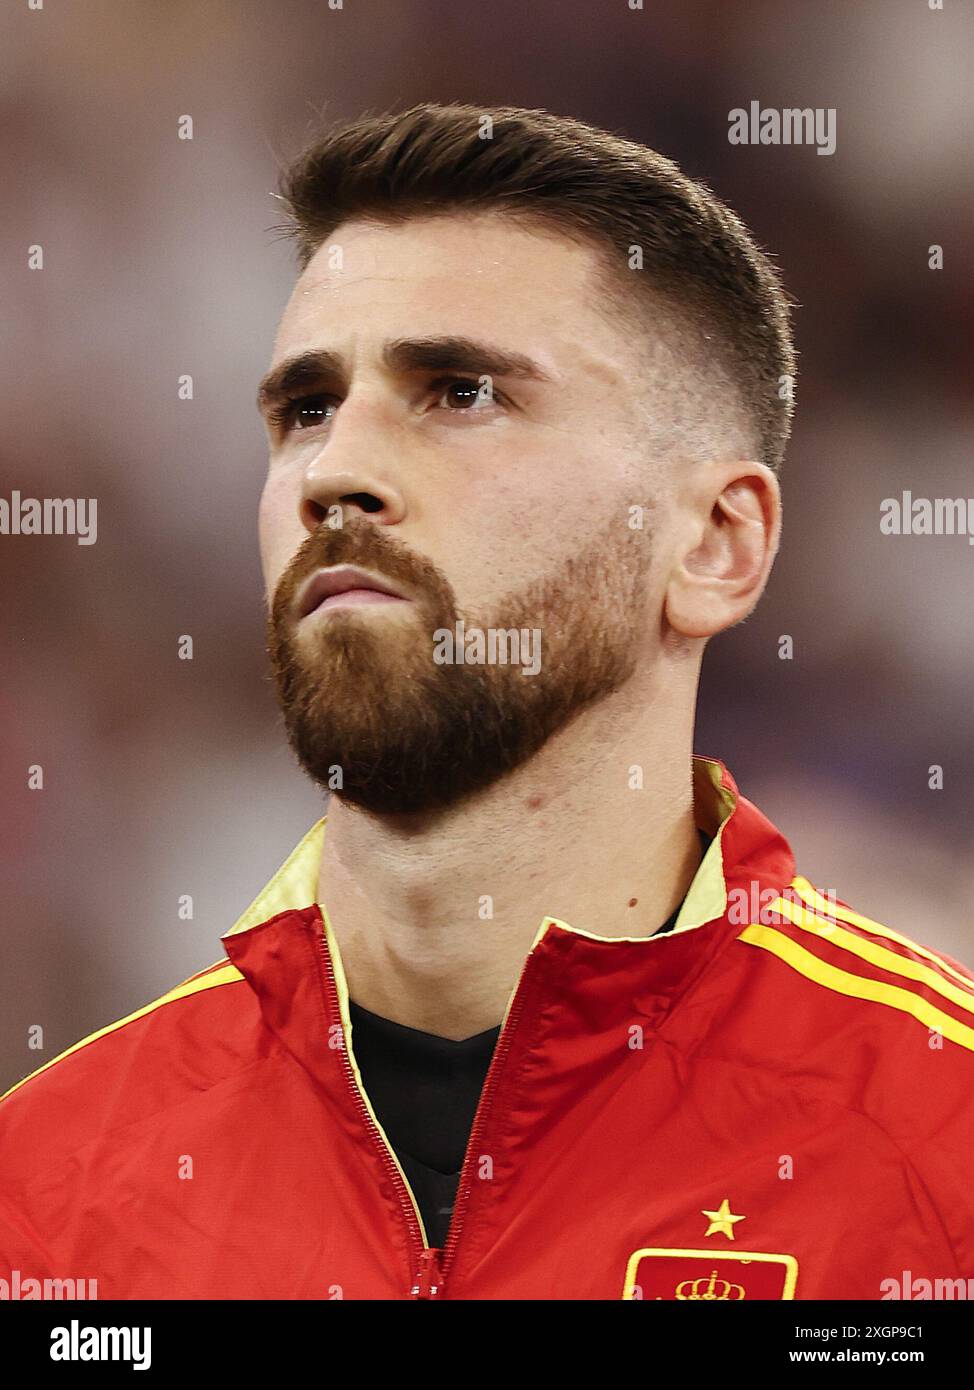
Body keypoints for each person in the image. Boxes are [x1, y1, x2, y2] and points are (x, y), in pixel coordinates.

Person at [2, 103, 971, 1301]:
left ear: (715, 545)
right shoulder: (47, 1194)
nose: (335, 475)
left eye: (458, 392)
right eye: (305, 408)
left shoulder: (943, 1152)